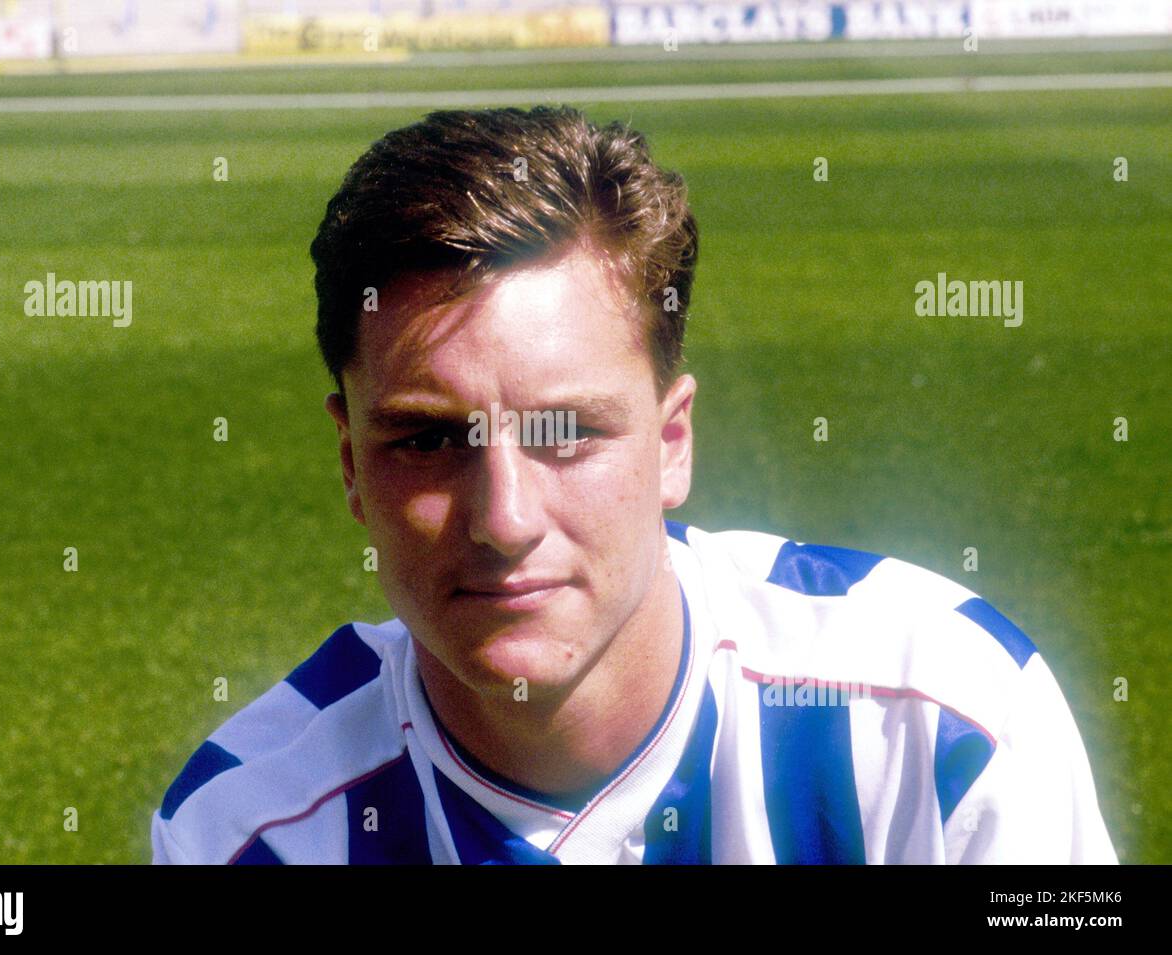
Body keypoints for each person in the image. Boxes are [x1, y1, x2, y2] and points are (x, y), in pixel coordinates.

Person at [152, 105, 1117, 864]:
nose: (505, 518)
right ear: (351, 465)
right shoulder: (254, 832)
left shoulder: (938, 725)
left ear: (673, 440)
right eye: (428, 440)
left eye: (567, 433)